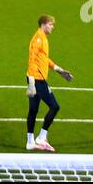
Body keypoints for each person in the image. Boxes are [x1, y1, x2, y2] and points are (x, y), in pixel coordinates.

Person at [26, 14, 73, 151]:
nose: (52, 27)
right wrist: (31, 83)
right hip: (37, 80)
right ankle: (41, 138)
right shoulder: (39, 38)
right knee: (55, 107)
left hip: (35, 78)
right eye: (51, 24)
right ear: (43, 24)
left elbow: (44, 59)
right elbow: (32, 59)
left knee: (33, 110)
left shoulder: (42, 38)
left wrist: (59, 70)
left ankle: (30, 142)